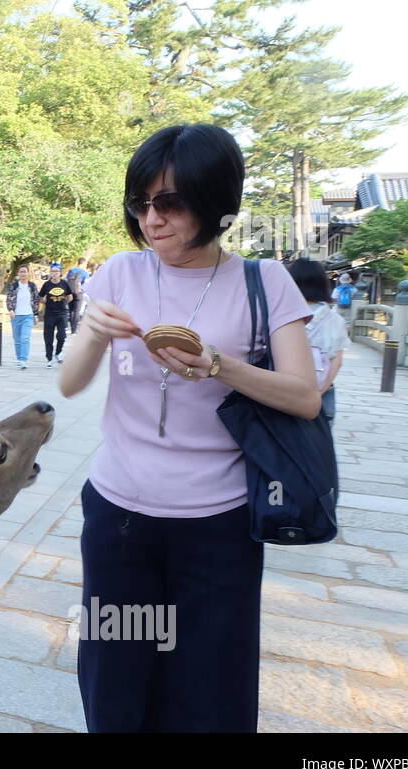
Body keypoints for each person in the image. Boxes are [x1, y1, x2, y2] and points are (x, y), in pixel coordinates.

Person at [59, 123, 320, 733]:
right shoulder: (119, 273)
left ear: (217, 203)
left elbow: (305, 396)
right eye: (140, 203)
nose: (152, 219)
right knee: (116, 679)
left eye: (170, 203)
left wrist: (219, 366)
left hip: (220, 526)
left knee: (210, 687)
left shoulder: (265, 283)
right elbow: (70, 385)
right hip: (119, 517)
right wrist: (93, 330)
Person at [289, 259, 348, 425]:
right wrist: (319, 392)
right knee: (319, 445)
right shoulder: (335, 320)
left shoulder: (279, 314)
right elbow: (337, 361)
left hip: (284, 390)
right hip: (322, 392)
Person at [5, 263, 40, 369]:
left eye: (25, 271)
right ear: (18, 273)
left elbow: (36, 300)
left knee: (25, 338)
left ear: (28, 273)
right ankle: (19, 358)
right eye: (21, 272)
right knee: (17, 339)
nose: (23, 274)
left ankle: (23, 359)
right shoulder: (14, 286)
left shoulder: (32, 286)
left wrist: (35, 314)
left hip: (28, 315)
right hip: (16, 316)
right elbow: (9, 298)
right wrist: (10, 310)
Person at [40, 262, 73, 367]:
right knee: (48, 337)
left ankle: (58, 353)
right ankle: (49, 359)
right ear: (50, 273)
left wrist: (64, 303)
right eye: (52, 271)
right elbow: (41, 297)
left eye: (56, 271)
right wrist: (48, 303)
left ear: (60, 273)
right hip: (49, 314)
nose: (54, 273)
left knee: (62, 336)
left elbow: (70, 296)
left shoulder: (64, 284)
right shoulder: (46, 285)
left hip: (62, 313)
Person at [66, 260, 88, 333]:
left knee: (71, 310)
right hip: (79, 293)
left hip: (69, 292)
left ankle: (70, 326)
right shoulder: (84, 273)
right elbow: (86, 284)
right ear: (84, 264)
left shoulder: (71, 271)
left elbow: (66, 281)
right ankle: (74, 330)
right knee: (76, 311)